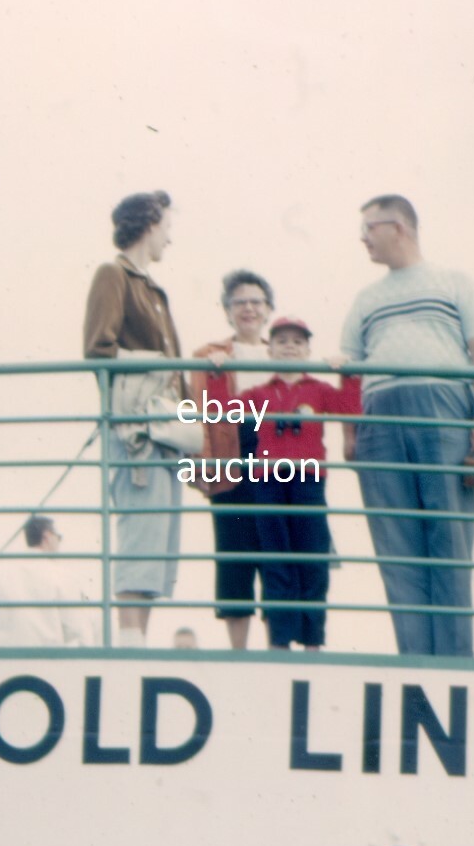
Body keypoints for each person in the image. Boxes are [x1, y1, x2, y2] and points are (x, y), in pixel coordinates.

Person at [340, 195, 474, 657]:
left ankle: (453, 663)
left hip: (442, 406)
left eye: (370, 228)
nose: (363, 238)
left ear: (399, 227)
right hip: (379, 416)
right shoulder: (365, 299)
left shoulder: (454, 282)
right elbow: (348, 366)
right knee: (396, 546)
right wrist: (351, 432)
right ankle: (414, 661)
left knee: (447, 539)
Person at [208, 316, 361, 651]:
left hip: (308, 479)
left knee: (312, 557)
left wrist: (347, 373)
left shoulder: (318, 390)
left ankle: (312, 641)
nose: (290, 346)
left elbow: (351, 407)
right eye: (281, 341)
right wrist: (217, 374)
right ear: (270, 350)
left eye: (298, 341)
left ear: (308, 350)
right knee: (275, 558)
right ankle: (279, 642)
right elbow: (222, 411)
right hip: (268, 480)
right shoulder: (259, 393)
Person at [82, 190, 184, 647]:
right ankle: (129, 646)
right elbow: (97, 348)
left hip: (162, 427)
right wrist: (154, 366)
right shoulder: (114, 274)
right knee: (140, 531)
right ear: (149, 224)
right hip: (135, 429)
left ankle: (136, 641)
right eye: (166, 226)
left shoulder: (151, 286)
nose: (170, 238)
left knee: (158, 537)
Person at [188, 270, 276, 649]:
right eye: (240, 302)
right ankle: (238, 652)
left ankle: (279, 647)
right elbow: (196, 409)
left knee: (279, 551)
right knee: (234, 553)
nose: (249, 309)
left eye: (256, 301)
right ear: (227, 311)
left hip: (276, 456)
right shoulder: (210, 356)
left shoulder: (285, 351)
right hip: (232, 454)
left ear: (269, 310)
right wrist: (197, 465)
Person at [0, 517, 95, 647]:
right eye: (59, 537)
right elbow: (77, 626)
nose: (59, 543)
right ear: (47, 536)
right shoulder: (61, 574)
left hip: (9, 659)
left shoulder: (0, 573)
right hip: (48, 659)